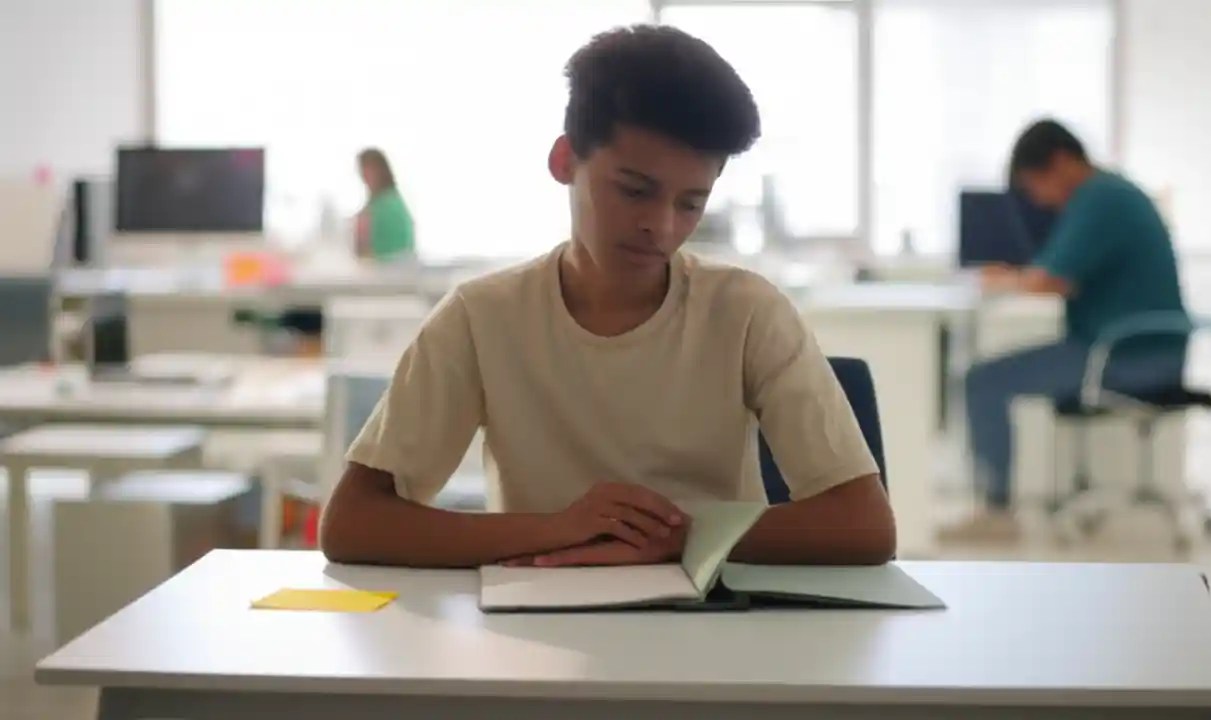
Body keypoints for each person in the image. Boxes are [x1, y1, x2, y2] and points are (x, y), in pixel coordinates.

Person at [320, 25, 896, 569]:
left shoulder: (746, 312)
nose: (661, 227)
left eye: (690, 203)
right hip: (543, 630)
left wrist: (677, 541)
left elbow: (865, 525)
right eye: (634, 190)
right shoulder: (481, 318)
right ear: (564, 160)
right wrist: (559, 528)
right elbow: (353, 522)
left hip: (712, 631)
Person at [943, 119, 1188, 540]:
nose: (1038, 200)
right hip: (1133, 349)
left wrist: (1000, 279)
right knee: (991, 376)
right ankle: (996, 503)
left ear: (1060, 163)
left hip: (1126, 358)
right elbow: (1058, 274)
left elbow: (1050, 280)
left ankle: (997, 512)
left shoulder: (1099, 199)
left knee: (984, 381)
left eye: (1035, 185)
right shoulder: (1110, 193)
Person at [354, 148, 415, 261]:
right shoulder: (376, 203)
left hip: (390, 270)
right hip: (385, 268)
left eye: (369, 170)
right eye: (363, 172)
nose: (365, 177)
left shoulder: (390, 204)